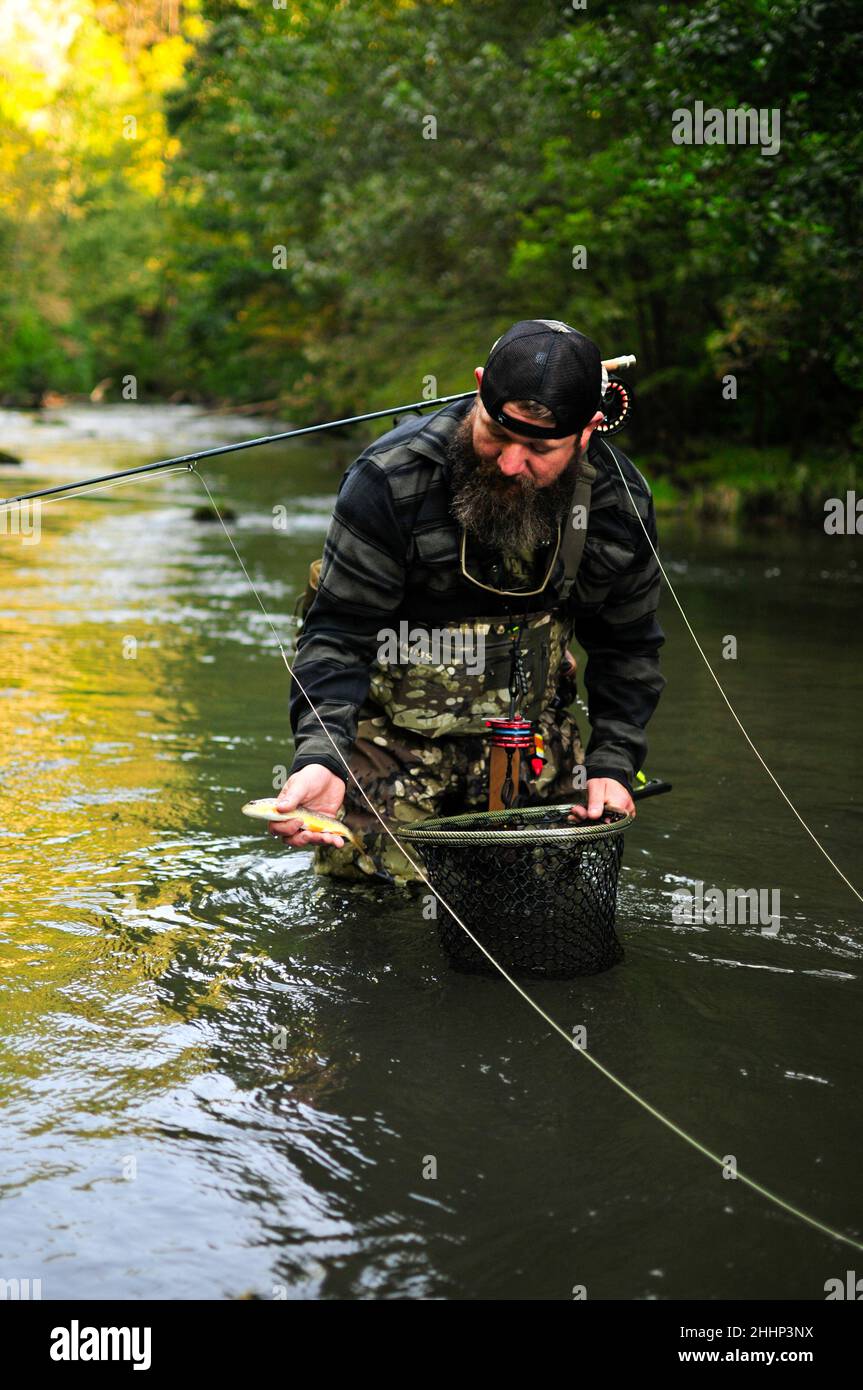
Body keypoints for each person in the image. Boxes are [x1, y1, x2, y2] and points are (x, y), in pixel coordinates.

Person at [271, 319, 666, 884]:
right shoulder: (389, 480)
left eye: (538, 448)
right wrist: (320, 757)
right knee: (374, 919)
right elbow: (337, 634)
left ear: (588, 431)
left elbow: (629, 648)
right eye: (496, 433)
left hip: (530, 745)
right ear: (479, 388)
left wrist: (614, 763)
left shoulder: (617, 506)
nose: (509, 463)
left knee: (533, 917)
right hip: (391, 749)